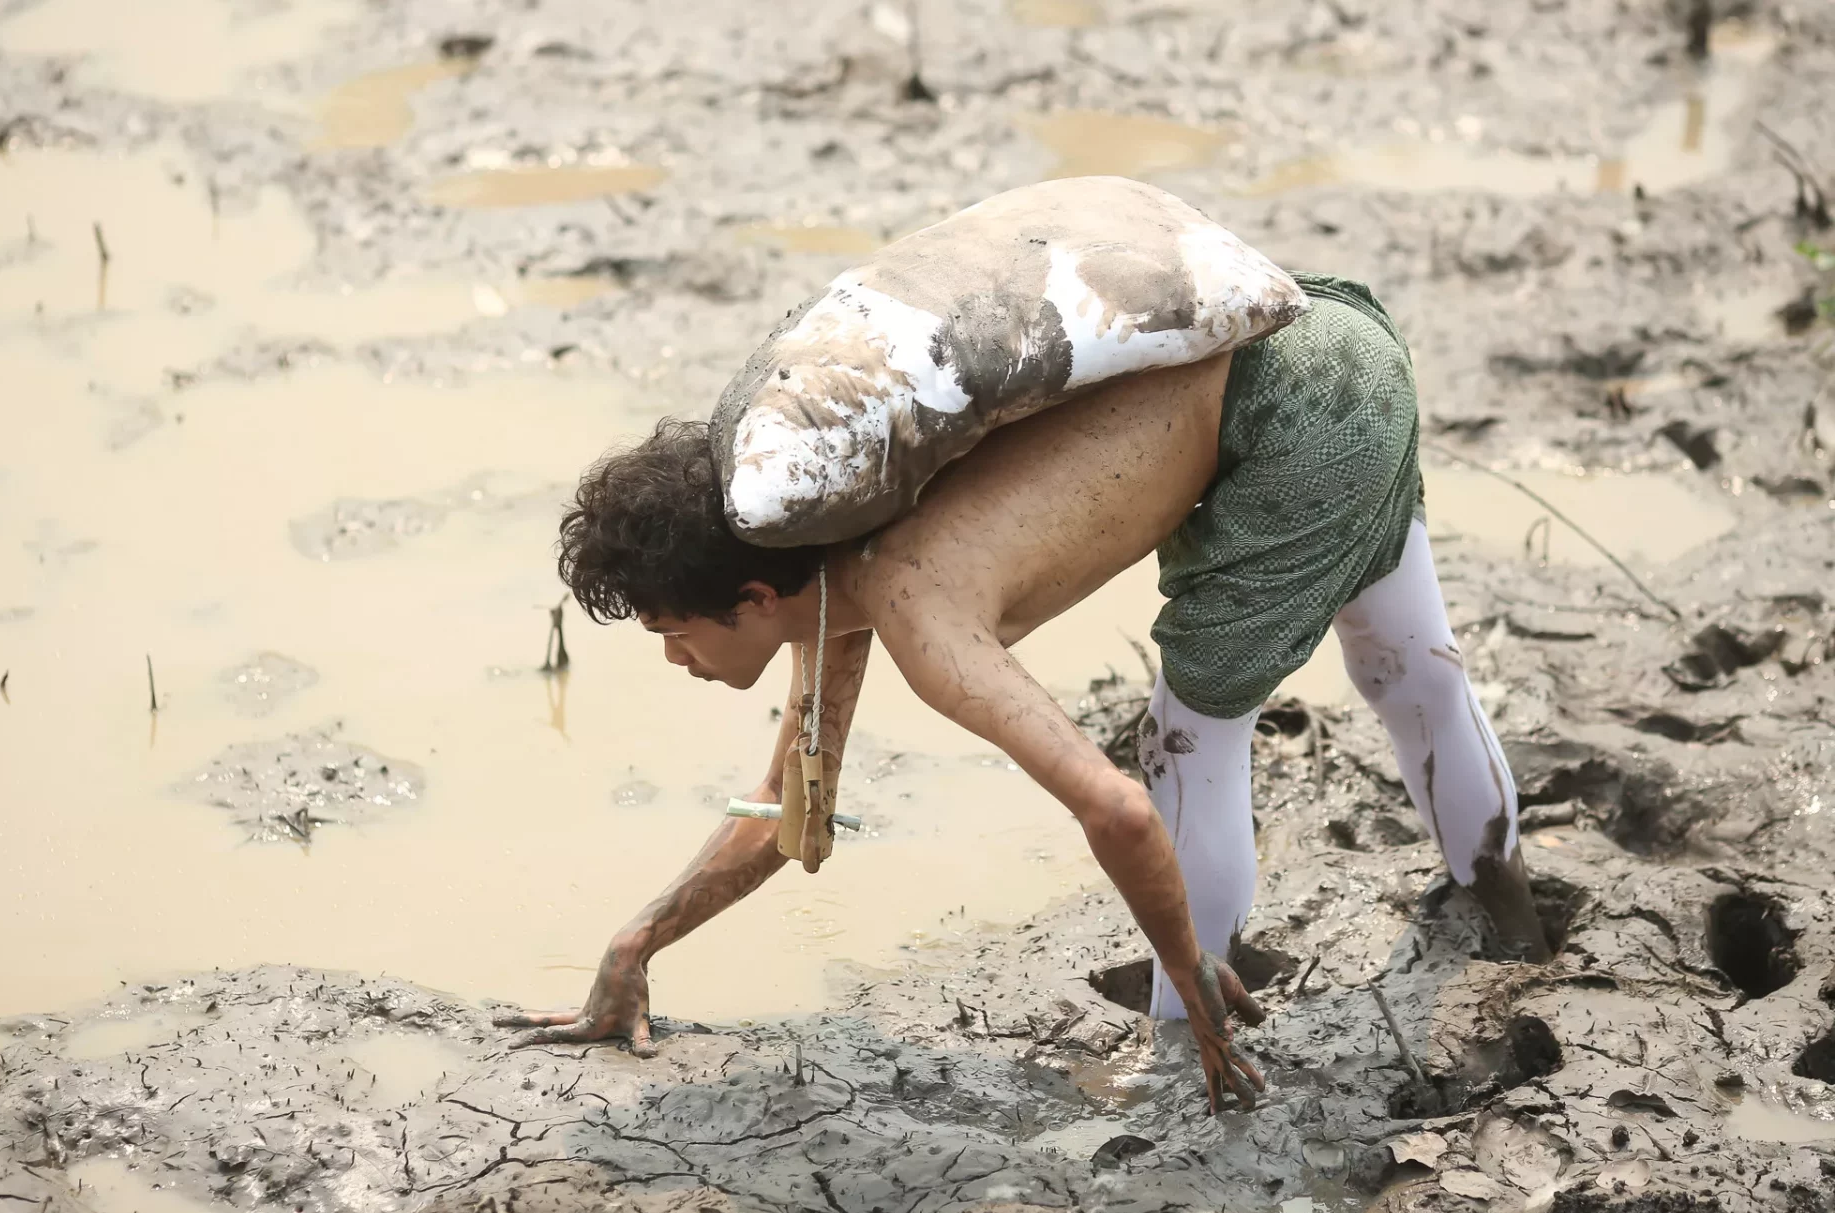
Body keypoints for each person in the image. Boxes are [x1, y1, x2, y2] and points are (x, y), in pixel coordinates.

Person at [496, 271, 1551, 1114]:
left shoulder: (910, 604)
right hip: (1331, 337)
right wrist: (637, 942)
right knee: (1405, 667)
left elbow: (1116, 810)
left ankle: (1192, 1058)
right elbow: (784, 814)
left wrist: (1184, 965)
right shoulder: (828, 565)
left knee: (1186, 743)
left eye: (673, 633)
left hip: (1291, 419)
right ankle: (1509, 911)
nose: (675, 661)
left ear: (753, 595)